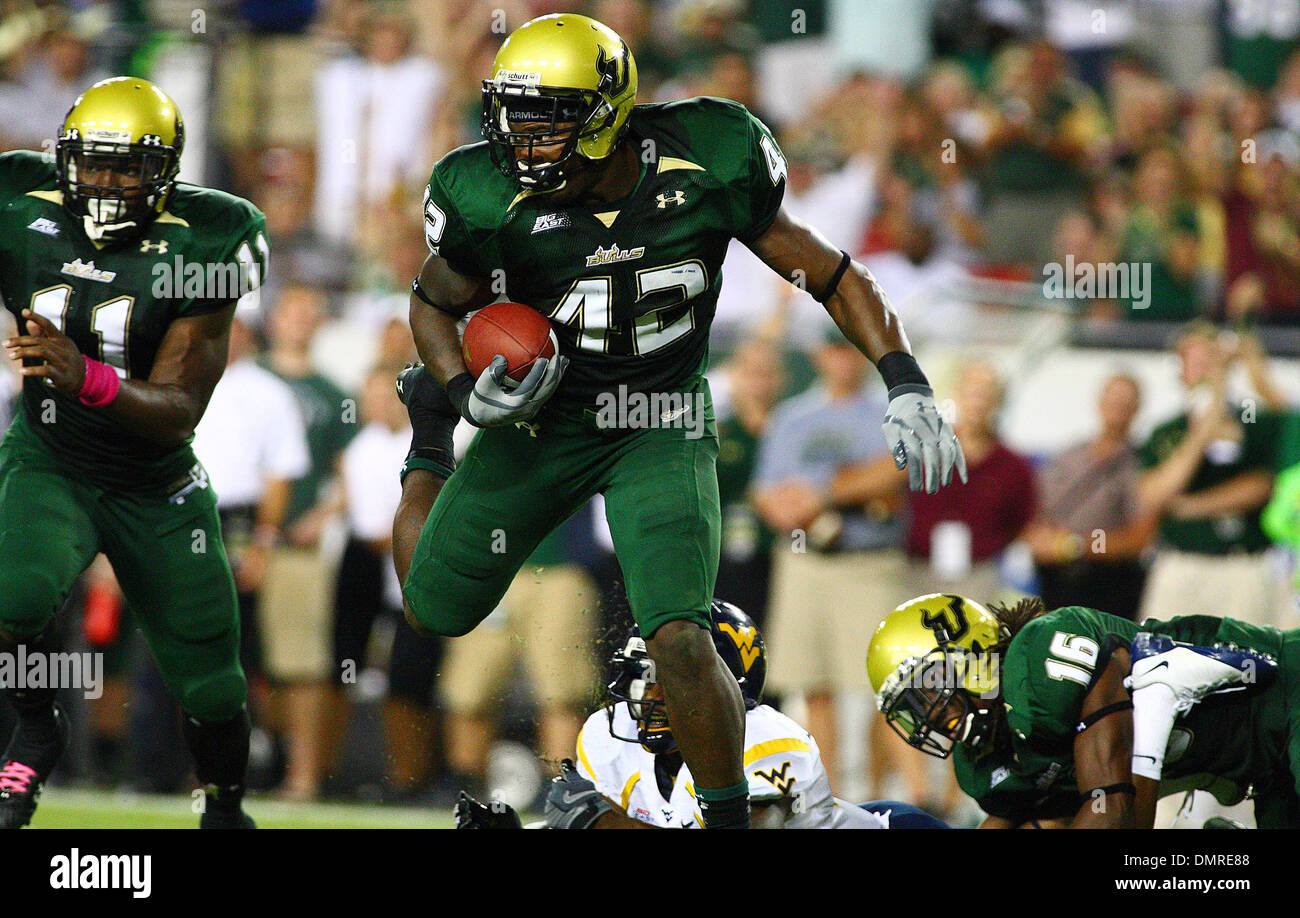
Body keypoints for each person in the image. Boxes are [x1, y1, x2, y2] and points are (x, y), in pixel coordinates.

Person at [392, 12, 964, 831]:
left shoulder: (710, 154)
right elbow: (431, 304)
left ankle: (724, 824)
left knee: (678, 635)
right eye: (513, 111)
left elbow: (829, 272)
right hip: (543, 423)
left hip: (659, 421)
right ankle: (428, 442)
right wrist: (453, 395)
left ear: (606, 111)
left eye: (547, 114)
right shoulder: (484, 192)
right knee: (432, 608)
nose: (522, 136)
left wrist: (903, 378)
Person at [0, 77, 267, 828]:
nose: (107, 183)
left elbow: (178, 411)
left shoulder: (209, 236)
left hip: (156, 481)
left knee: (213, 685)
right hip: (51, 456)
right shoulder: (20, 200)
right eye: (93, 163)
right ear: (64, 160)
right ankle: (37, 727)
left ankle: (225, 805)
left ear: (168, 172)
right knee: (11, 599)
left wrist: (82, 373)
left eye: (128, 167)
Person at [454, 600, 946, 830]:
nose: (646, 698)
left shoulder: (767, 740)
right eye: (644, 680)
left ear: (722, 688)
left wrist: (607, 826)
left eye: (664, 680)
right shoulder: (613, 738)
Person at [866, 592, 1300, 827]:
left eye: (924, 696)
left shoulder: (1037, 661)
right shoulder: (983, 763)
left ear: (967, 658)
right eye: (909, 709)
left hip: (1287, 689)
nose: (927, 719)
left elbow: (1115, 813)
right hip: (1260, 767)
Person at [1024, 373, 1154, 620]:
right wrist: (1038, 537)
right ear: (1099, 401)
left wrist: (1077, 546)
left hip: (1111, 583)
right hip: (1055, 581)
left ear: (1136, 409)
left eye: (1125, 402)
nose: (1117, 408)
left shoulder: (1141, 463)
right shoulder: (1069, 455)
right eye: (1113, 399)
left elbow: (1138, 537)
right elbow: (1037, 508)